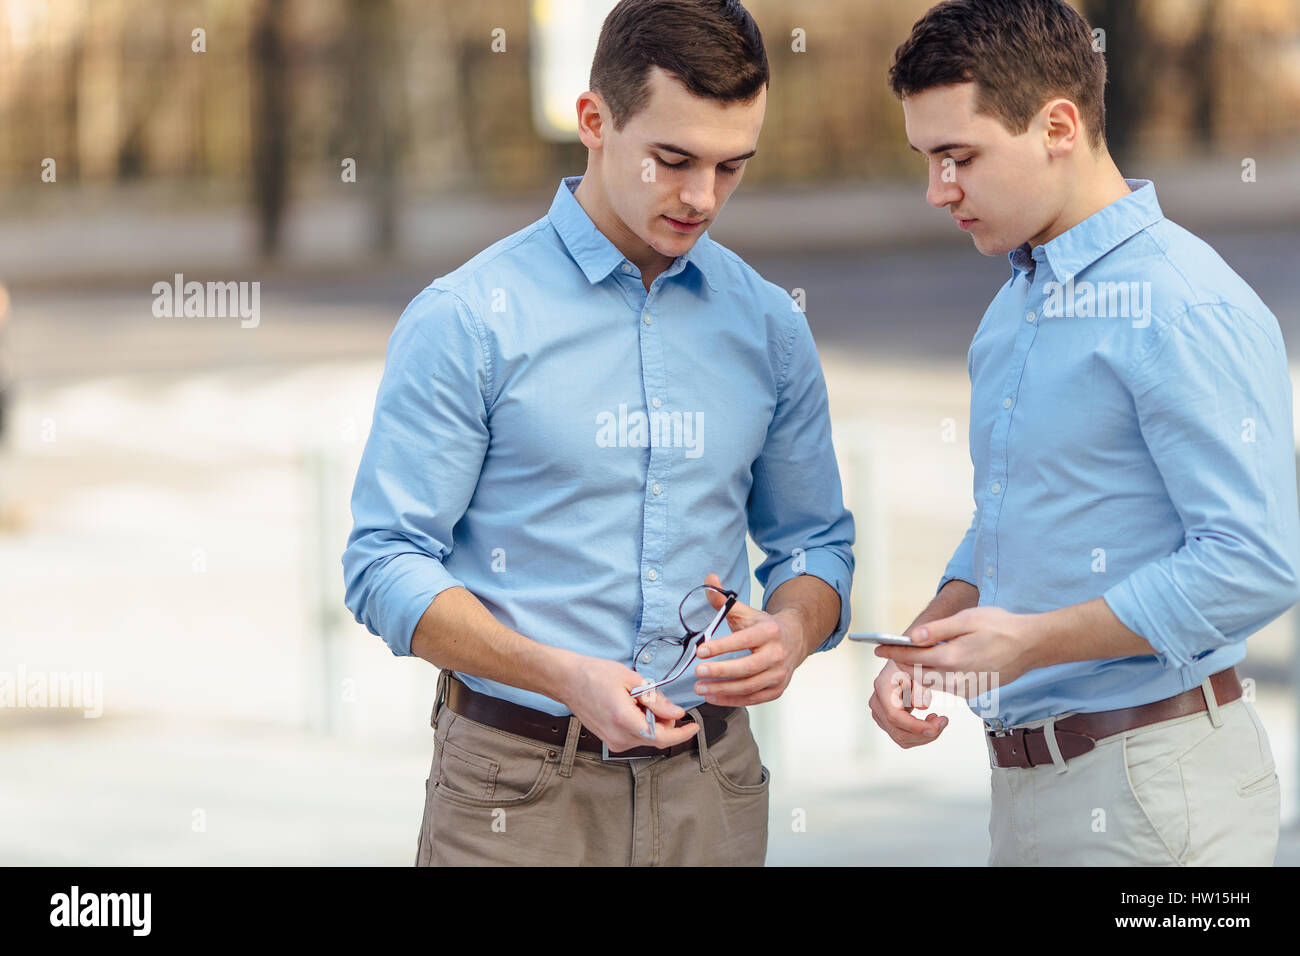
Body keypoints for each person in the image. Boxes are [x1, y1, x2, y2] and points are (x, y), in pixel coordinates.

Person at [342, 0, 854, 867]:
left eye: (732, 166)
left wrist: (796, 631)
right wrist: (563, 675)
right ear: (593, 122)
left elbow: (816, 545)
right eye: (674, 159)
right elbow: (384, 563)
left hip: (715, 786)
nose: (702, 197)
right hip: (516, 791)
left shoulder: (770, 326)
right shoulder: (468, 320)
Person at [869, 0, 1299, 866]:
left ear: (1058, 125)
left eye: (960, 157)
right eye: (927, 160)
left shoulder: (1183, 304)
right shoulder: (1013, 305)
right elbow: (1023, 508)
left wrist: (1029, 644)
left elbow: (1256, 561)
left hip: (1156, 794)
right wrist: (934, 635)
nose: (937, 189)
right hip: (1030, 793)